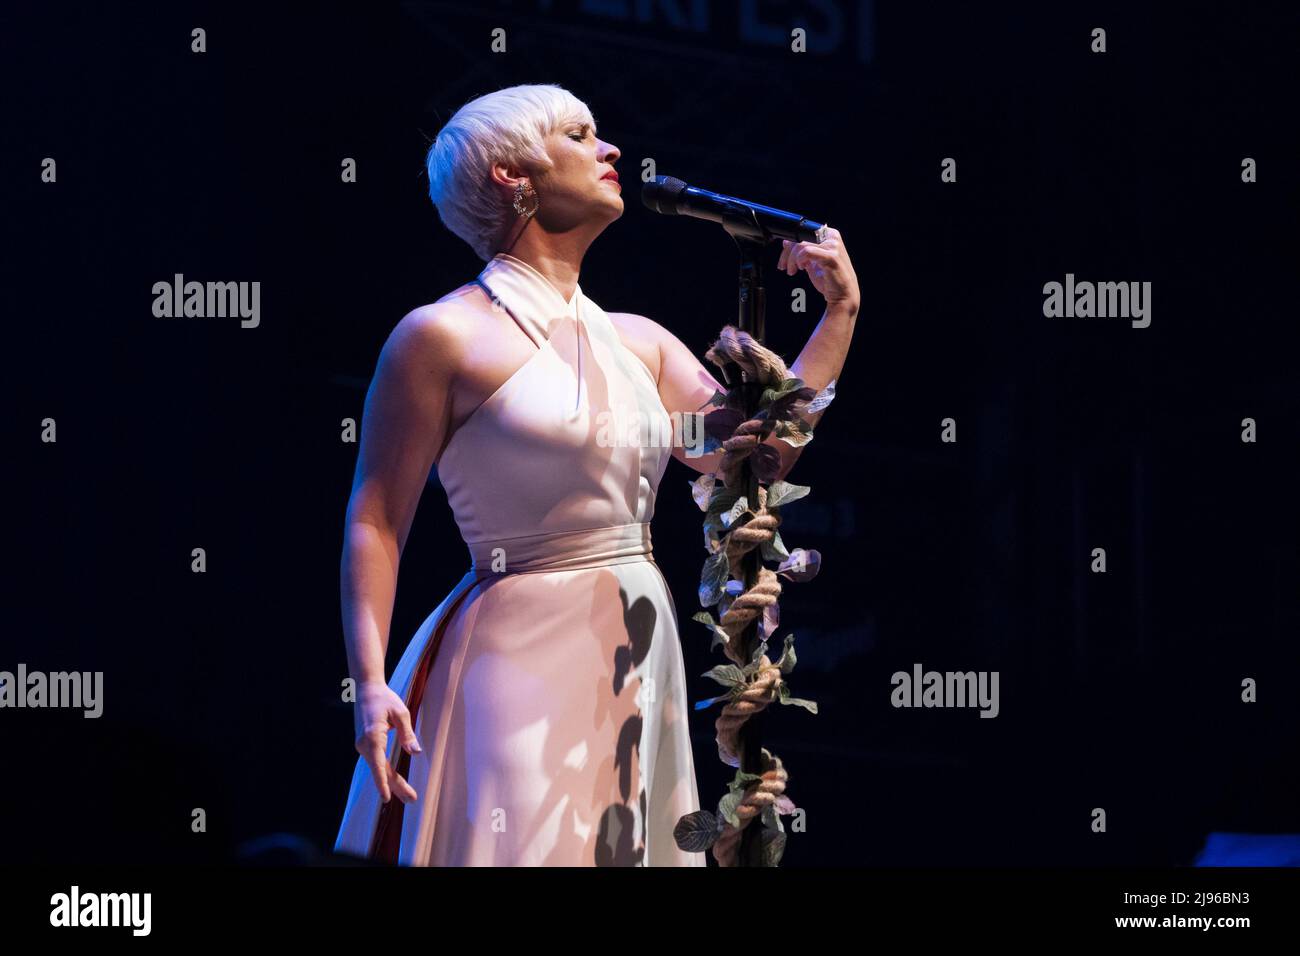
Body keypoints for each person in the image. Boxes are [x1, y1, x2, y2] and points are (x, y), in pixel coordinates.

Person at [333, 83, 860, 865]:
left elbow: (752, 456)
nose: (612, 149)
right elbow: (376, 521)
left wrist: (838, 316)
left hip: (635, 637)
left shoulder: (636, 342)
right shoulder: (442, 338)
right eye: (581, 136)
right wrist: (371, 684)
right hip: (513, 648)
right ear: (514, 176)